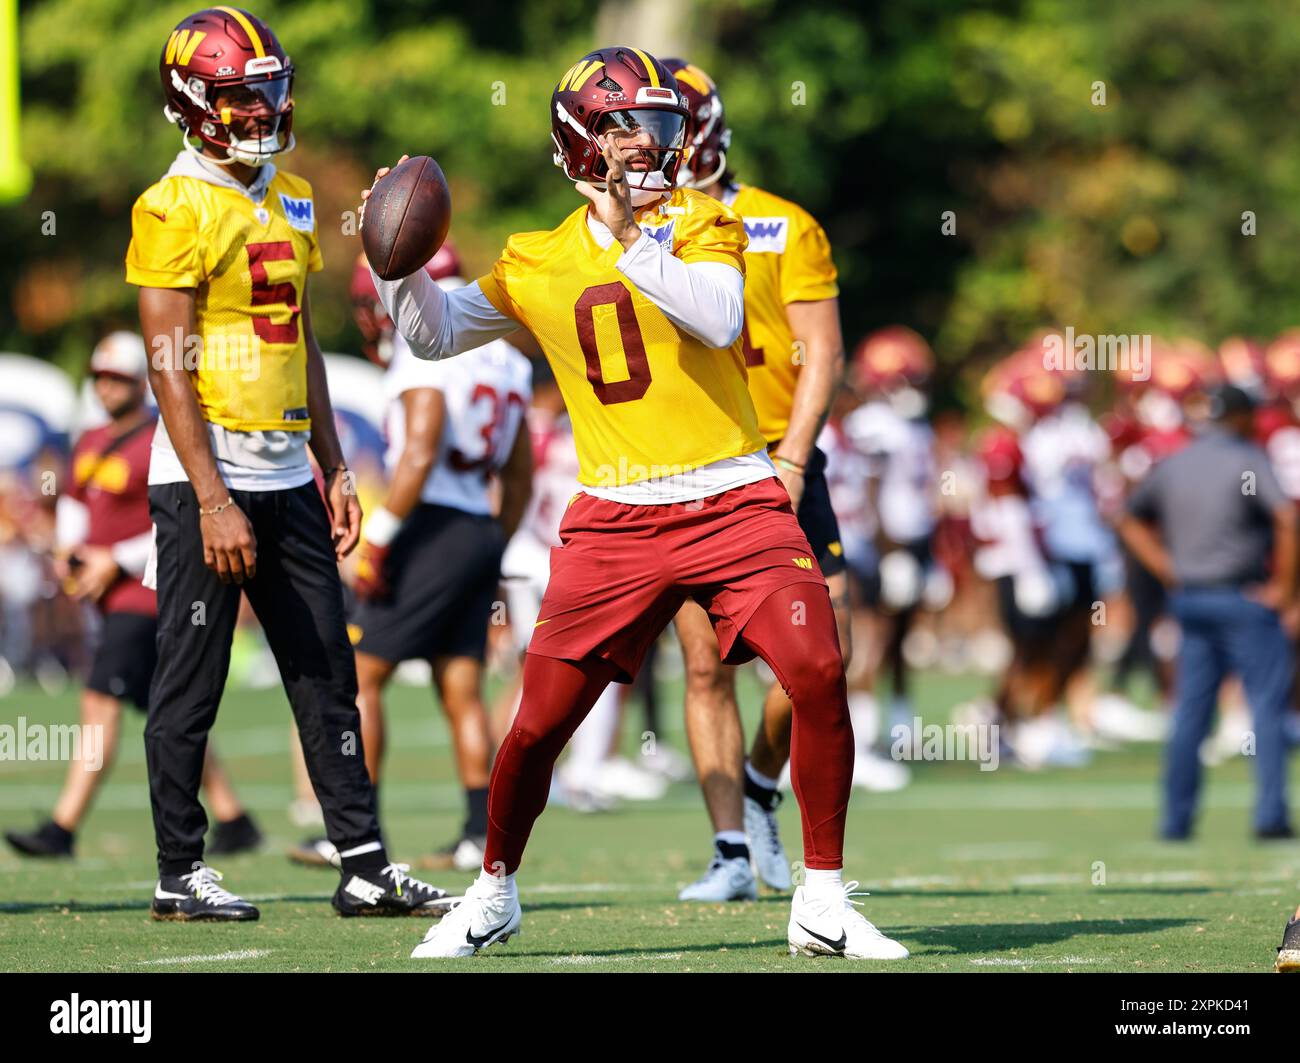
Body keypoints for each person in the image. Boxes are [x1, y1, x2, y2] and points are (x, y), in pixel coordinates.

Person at [367, 45, 907, 961]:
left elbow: (720, 316)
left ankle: (820, 895)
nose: (650, 144)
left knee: (817, 668)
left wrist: (631, 237)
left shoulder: (701, 222)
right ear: (583, 145)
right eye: (626, 127)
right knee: (538, 721)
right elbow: (435, 332)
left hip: (735, 493)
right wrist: (396, 260)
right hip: (616, 514)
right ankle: (493, 886)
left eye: (658, 125)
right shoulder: (537, 257)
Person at [127, 7, 448, 921]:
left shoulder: (294, 192)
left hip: (286, 475)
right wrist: (211, 494)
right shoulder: (173, 203)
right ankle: (178, 870)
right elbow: (167, 364)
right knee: (192, 675)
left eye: (269, 90)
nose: (263, 109)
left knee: (327, 673)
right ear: (192, 104)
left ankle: (361, 862)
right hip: (210, 476)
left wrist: (335, 463)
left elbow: (300, 332)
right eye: (241, 95)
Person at [656, 58, 850, 902]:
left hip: (775, 451)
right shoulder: (634, 229)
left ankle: (764, 788)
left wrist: (796, 456)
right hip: (688, 463)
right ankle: (730, 848)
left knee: (822, 657)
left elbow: (824, 352)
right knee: (706, 665)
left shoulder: (781, 225)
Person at [292, 247, 533, 873]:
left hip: (427, 526)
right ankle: (482, 834)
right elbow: (520, 473)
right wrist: (489, 542)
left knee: (362, 675)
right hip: (477, 524)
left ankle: (355, 831)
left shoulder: (427, 334)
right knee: (461, 686)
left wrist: (381, 537)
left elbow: (419, 450)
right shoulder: (505, 350)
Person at [5, 332, 260, 859]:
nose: (107, 387)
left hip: (144, 593)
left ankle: (62, 826)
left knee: (99, 702)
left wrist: (112, 560)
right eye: (100, 377)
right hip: (108, 598)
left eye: (117, 377)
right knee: (168, 709)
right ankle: (234, 818)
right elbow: (77, 509)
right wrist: (68, 555)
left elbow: (182, 523)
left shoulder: (163, 436)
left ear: (138, 380)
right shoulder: (90, 440)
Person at [1118, 384, 1297, 840]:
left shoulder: (1176, 461)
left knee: (1191, 712)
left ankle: (1176, 819)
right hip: (1242, 597)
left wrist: (1168, 569)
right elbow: (1288, 519)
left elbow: (1128, 518)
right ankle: (1270, 816)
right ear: (1239, 417)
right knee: (1266, 707)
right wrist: (1284, 589)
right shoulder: (1247, 458)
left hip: (1190, 599)